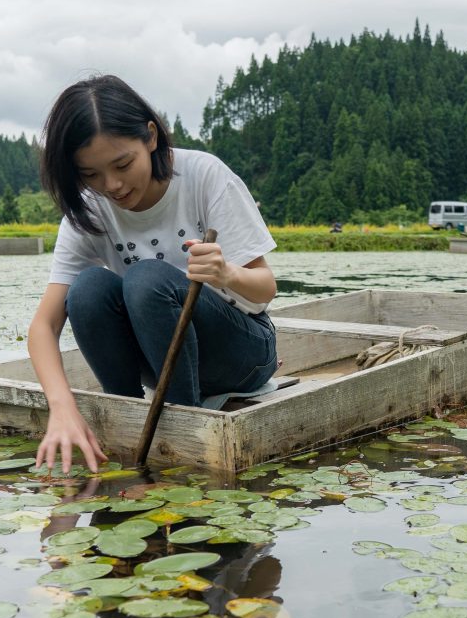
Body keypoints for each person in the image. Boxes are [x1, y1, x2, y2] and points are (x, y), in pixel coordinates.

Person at [29, 75, 280, 474]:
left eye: (122, 164)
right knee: (88, 289)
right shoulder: (89, 209)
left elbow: (265, 290)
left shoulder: (203, 176)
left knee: (147, 279)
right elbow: (43, 326)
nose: (111, 185)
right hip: (160, 360)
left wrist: (226, 272)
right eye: (90, 175)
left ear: (150, 137)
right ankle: (127, 420)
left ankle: (185, 432)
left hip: (241, 354)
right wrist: (61, 407)